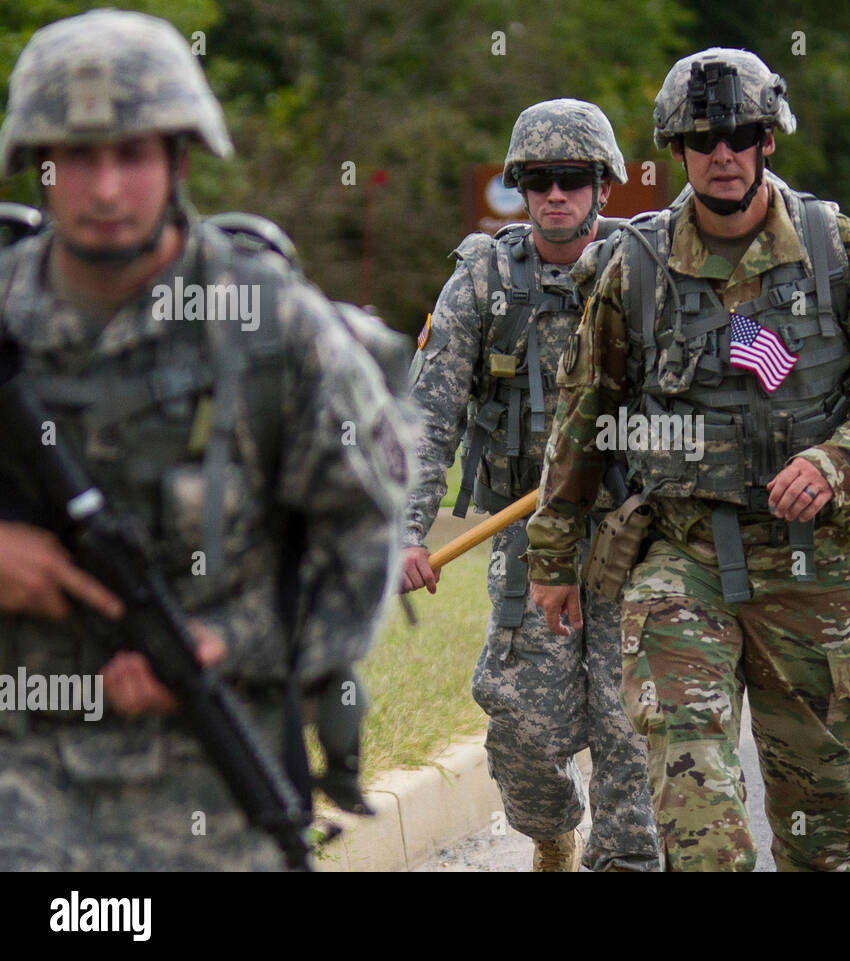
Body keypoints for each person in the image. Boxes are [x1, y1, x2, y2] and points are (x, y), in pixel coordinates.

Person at [0, 9, 412, 870]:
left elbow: (359, 540)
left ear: (180, 159)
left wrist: (229, 640)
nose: (106, 189)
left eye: (133, 154)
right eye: (77, 157)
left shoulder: (274, 328)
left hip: (212, 786)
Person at [526, 48, 850, 871]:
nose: (724, 152)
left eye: (741, 134)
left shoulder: (836, 248)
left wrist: (837, 459)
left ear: (768, 141)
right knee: (697, 820)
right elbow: (585, 413)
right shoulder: (634, 267)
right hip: (683, 558)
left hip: (815, 569)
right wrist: (552, 554)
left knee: (824, 833)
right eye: (703, 136)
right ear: (677, 149)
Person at [400, 100, 660, 872]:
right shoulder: (484, 277)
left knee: (629, 729)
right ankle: (551, 829)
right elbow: (430, 410)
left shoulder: (645, 266)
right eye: (538, 180)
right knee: (519, 721)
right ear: (518, 186)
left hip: (633, 533)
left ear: (603, 188)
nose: (555, 195)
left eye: (573, 180)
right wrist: (409, 529)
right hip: (525, 531)